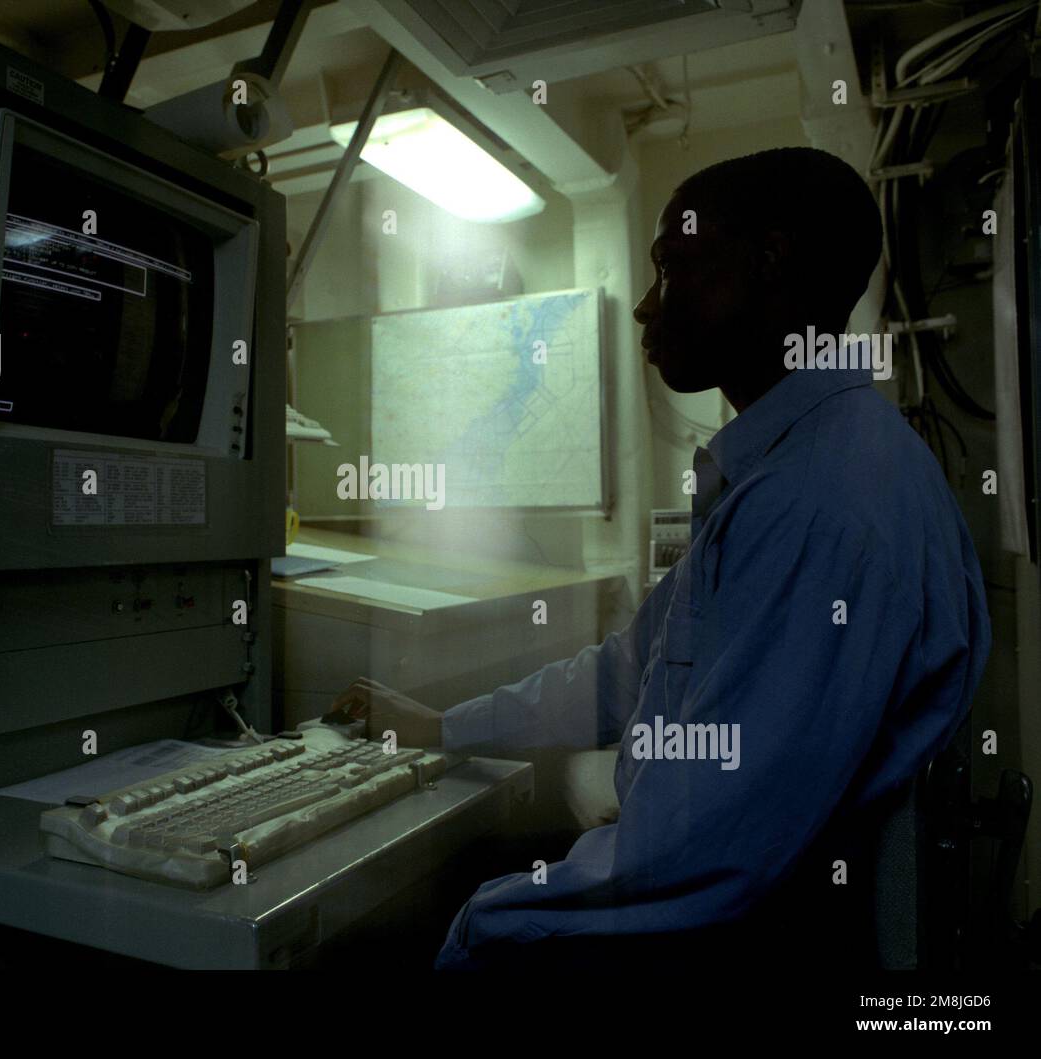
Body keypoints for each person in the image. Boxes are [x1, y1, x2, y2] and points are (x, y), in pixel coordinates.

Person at [328, 147, 991, 970]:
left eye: (674, 268)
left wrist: (480, 925)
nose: (645, 306)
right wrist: (441, 726)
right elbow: (633, 667)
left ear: (768, 266)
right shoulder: (806, 464)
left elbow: (701, 853)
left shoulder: (814, 504)